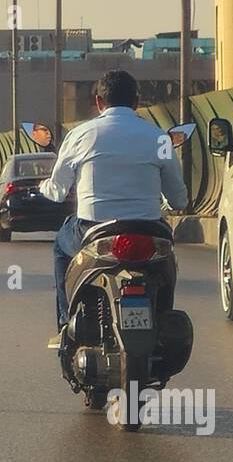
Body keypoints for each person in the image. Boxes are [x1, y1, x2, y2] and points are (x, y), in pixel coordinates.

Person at [39, 70, 188, 331]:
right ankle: (163, 317)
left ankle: (66, 324)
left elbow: (58, 191)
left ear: (99, 102)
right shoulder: (159, 137)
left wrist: (44, 187)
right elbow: (178, 199)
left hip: (92, 230)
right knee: (167, 261)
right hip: (149, 230)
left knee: (61, 247)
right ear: (136, 102)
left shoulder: (80, 135)